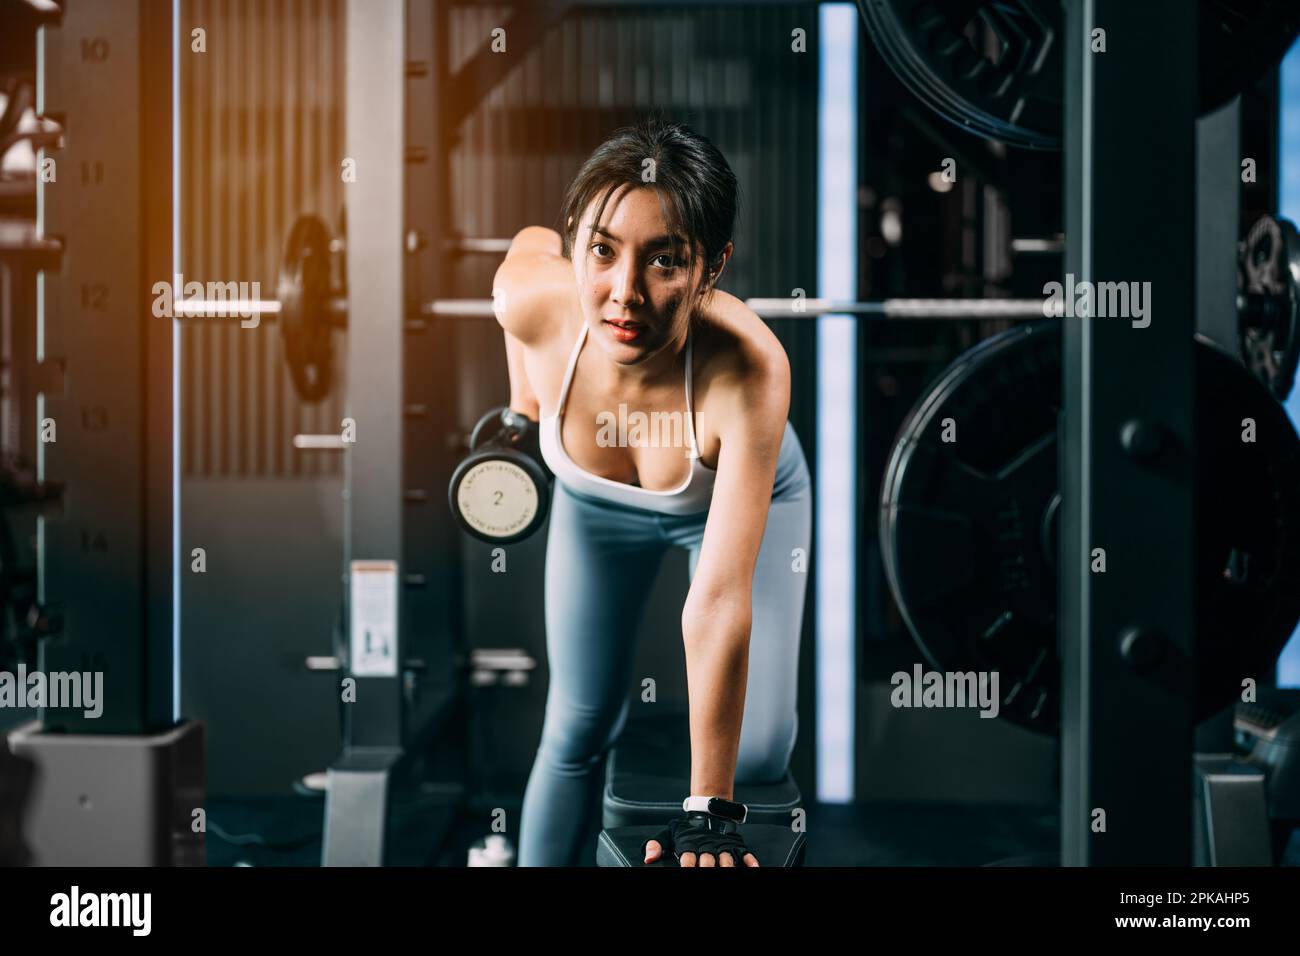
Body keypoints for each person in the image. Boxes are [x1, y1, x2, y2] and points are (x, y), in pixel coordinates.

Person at [494, 118, 811, 866]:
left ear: (711, 269)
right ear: (578, 241)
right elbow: (526, 246)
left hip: (726, 496)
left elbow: (718, 598)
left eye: (664, 261)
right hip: (595, 512)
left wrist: (708, 808)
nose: (624, 294)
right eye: (601, 250)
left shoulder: (750, 368)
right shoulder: (529, 302)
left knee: (760, 750)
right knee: (574, 728)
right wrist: (522, 412)